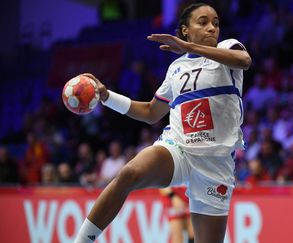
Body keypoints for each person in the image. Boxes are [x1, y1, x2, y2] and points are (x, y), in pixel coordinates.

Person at [74, 3, 251, 243]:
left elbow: (244, 60)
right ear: (185, 29)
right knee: (129, 173)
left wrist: (189, 47)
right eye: (203, 22)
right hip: (178, 149)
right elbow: (150, 112)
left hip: (215, 163)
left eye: (215, 23)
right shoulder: (176, 68)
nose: (212, 28)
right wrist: (107, 97)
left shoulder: (228, 49)